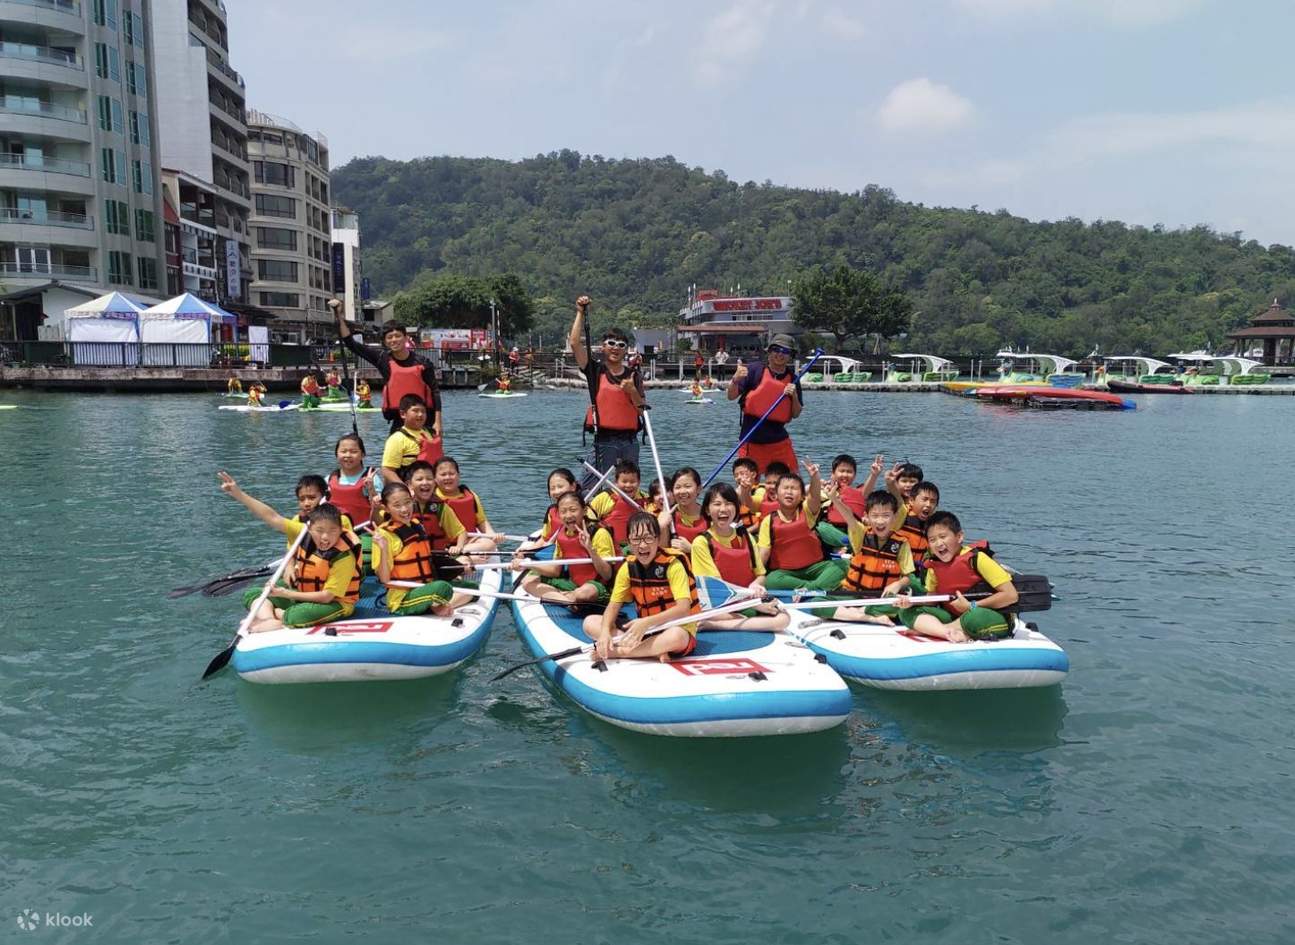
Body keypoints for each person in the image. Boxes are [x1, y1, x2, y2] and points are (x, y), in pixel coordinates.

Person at [218, 473, 361, 631]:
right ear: (311, 529)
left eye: (312, 497)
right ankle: (269, 620)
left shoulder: (338, 523)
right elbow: (277, 525)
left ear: (324, 496)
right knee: (257, 593)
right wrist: (289, 566)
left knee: (296, 615)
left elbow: (275, 519)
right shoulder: (302, 526)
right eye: (302, 499)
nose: (325, 536)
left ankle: (275, 617)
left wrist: (286, 594)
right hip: (306, 589)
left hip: (333, 598)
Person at [582, 512, 700, 662]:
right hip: (647, 631)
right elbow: (613, 606)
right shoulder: (627, 568)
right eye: (636, 539)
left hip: (676, 627)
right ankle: (652, 650)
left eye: (648, 538)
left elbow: (683, 609)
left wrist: (646, 622)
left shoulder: (673, 565)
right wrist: (605, 632)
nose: (642, 545)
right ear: (629, 543)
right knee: (590, 622)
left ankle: (621, 651)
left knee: (676, 636)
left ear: (657, 539)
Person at [896, 511, 1019, 643]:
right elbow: (932, 598)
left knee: (974, 616)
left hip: (987, 615)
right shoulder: (933, 566)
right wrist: (911, 602)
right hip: (954, 616)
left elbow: (1011, 595)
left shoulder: (978, 559)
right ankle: (947, 632)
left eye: (943, 536)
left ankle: (935, 630)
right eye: (932, 540)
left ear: (959, 537)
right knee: (905, 612)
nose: (938, 543)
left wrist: (971, 605)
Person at [332, 298, 443, 437]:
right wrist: (340, 317)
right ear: (385, 341)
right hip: (398, 421)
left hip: (425, 420)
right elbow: (351, 344)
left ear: (406, 338)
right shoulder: (382, 359)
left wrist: (438, 422)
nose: (394, 340)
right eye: (389, 337)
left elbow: (435, 392)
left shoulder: (423, 362)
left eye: (398, 336)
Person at [689, 483, 789, 632]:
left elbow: (760, 574)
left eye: (729, 504)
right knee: (703, 612)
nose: (723, 509)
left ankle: (735, 622)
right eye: (717, 504)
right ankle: (720, 623)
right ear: (707, 510)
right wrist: (752, 603)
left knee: (784, 619)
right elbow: (715, 588)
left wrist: (756, 586)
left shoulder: (746, 537)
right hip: (719, 603)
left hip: (747, 598)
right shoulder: (701, 543)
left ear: (736, 509)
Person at [569, 295, 646, 489]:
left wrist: (632, 392)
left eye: (621, 345)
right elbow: (575, 343)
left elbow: (641, 410)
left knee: (627, 489)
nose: (616, 348)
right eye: (611, 343)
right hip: (603, 441)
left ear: (626, 350)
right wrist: (580, 312)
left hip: (629, 442)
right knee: (587, 489)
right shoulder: (595, 370)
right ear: (603, 347)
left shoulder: (633, 376)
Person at [371, 482, 472, 616]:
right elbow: (384, 579)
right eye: (397, 505)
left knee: (471, 588)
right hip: (402, 598)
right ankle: (436, 605)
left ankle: (436, 605)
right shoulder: (384, 535)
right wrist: (383, 548)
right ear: (386, 508)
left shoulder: (417, 525)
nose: (404, 509)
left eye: (407, 502)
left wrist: (458, 568)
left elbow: (427, 561)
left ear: (412, 501)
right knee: (442, 588)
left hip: (424, 587)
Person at [822, 486, 919, 625]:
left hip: (881, 598)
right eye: (875, 516)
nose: (880, 521)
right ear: (867, 516)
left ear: (895, 516)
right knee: (817, 603)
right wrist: (834, 499)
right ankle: (869, 616)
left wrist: (898, 584)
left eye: (886, 515)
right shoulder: (860, 534)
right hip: (854, 596)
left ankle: (851, 612)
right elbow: (849, 517)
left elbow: (908, 577)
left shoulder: (901, 543)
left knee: (898, 605)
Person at [756, 461, 846, 592]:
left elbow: (814, 496)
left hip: (816, 568)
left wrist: (814, 476)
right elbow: (763, 553)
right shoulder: (768, 521)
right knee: (772, 580)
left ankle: (808, 589)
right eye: (785, 488)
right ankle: (816, 588)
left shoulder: (807, 511)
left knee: (844, 565)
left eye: (794, 489)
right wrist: (756, 577)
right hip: (786, 573)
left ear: (802, 495)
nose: (789, 492)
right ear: (776, 493)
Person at [519, 491, 617, 608]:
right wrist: (528, 564)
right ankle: (569, 600)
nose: (568, 515)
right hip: (574, 583)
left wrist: (590, 549)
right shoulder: (562, 534)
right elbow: (555, 571)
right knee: (528, 582)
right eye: (563, 512)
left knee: (582, 594)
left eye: (573, 510)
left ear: (584, 511)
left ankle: (564, 598)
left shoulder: (599, 533)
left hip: (598, 586)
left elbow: (607, 575)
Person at [726, 333, 803, 472]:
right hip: (751, 440)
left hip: (779, 442)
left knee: (791, 482)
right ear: (769, 351)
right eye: (776, 350)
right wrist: (735, 380)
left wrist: (794, 395)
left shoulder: (793, 379)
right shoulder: (755, 370)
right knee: (748, 485)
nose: (780, 354)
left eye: (785, 351)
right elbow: (731, 396)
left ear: (790, 355)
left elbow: (796, 414)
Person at [433, 456, 503, 557]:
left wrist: (493, 535)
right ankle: (463, 555)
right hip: (445, 545)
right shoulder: (433, 499)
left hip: (470, 541)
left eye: (451, 474)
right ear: (435, 478)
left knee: (491, 544)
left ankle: (461, 553)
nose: (448, 477)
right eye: (443, 474)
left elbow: (481, 521)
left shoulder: (471, 495)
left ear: (458, 475)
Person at [381, 394, 442, 484]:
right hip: (409, 488)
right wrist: (406, 489)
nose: (420, 414)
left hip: (430, 486)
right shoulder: (397, 439)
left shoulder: (429, 434)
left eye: (423, 411)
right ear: (403, 414)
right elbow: (387, 471)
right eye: (415, 411)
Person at [586, 460, 649, 547]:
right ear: (616, 482)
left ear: (639, 482)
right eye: (624, 481)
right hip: (610, 548)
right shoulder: (605, 497)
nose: (628, 485)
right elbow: (587, 515)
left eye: (632, 481)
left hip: (638, 548)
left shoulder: (645, 498)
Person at [326, 433, 379, 530]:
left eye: (353, 452)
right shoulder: (329, 479)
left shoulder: (371, 478)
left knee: (366, 545)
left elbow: (381, 508)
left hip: (366, 532)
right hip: (338, 534)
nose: (348, 455)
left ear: (362, 454)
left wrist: (372, 490)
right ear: (336, 455)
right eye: (343, 451)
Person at [659, 466, 707, 553]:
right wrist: (662, 526)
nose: (682, 491)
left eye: (687, 486)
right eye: (677, 487)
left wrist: (691, 549)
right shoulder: (669, 515)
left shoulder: (709, 515)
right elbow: (662, 549)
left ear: (699, 489)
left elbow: (716, 551)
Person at [894, 480, 940, 560]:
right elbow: (896, 498)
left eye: (933, 502)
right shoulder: (903, 514)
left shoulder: (932, 525)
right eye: (924, 499)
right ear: (911, 500)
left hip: (916, 568)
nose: (928, 505)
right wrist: (890, 483)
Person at [538, 467, 580, 541]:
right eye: (552, 488)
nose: (556, 492)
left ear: (573, 486)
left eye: (560, 486)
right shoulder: (551, 511)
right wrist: (527, 550)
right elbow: (544, 540)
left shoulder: (584, 511)